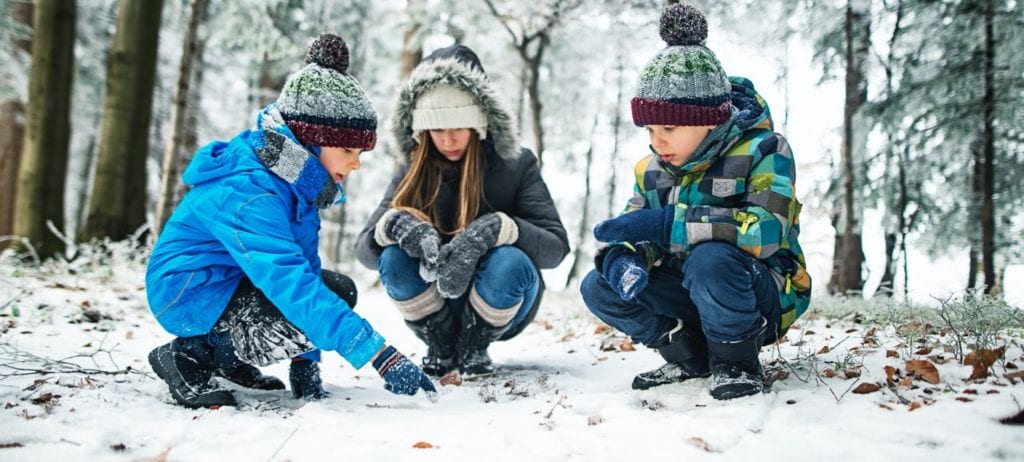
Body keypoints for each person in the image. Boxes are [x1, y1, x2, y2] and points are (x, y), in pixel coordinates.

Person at [146, 33, 436, 409]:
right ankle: (188, 355)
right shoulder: (251, 191)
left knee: (337, 290)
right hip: (188, 292)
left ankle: (226, 357)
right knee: (297, 305)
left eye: (360, 151)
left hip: (231, 283)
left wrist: (306, 364)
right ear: (310, 141)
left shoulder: (296, 183)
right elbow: (289, 283)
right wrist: (380, 356)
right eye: (347, 149)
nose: (355, 163)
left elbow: (306, 272)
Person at [580, 4, 812, 400]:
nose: (657, 140)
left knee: (712, 260)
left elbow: (768, 229)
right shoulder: (652, 169)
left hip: (760, 293)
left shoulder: (764, 150)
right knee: (598, 286)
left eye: (669, 127)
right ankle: (689, 353)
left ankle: (735, 360)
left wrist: (670, 224)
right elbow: (638, 225)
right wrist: (623, 256)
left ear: (709, 118)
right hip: (690, 290)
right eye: (650, 128)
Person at [355, 45, 569, 379]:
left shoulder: (516, 164)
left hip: (500, 298)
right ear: (422, 130)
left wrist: (501, 229)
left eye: (459, 126)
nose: (449, 139)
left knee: (509, 262)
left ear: (480, 122)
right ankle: (439, 344)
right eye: (437, 129)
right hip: (434, 301)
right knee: (392, 258)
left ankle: (475, 345)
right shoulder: (412, 167)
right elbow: (366, 253)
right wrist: (393, 227)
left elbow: (556, 249)